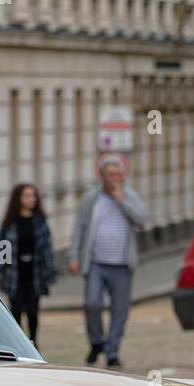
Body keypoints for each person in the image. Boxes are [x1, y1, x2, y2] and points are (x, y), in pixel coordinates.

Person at [69, 155, 147, 368]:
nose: (114, 179)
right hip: (95, 262)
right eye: (109, 175)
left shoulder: (129, 195)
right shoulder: (91, 198)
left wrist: (123, 201)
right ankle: (96, 342)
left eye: (117, 174)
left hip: (122, 264)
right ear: (101, 176)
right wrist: (73, 256)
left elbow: (141, 221)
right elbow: (79, 227)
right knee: (92, 303)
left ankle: (112, 351)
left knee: (119, 310)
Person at [0, 183, 56, 345]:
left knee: (33, 312)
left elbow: (47, 249)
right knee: (16, 312)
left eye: (33, 196)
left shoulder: (40, 222)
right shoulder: (9, 223)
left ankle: (34, 342)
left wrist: (50, 272)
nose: (31, 199)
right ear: (18, 199)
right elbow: (2, 248)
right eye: (27, 196)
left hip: (35, 274)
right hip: (14, 275)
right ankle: (19, 345)